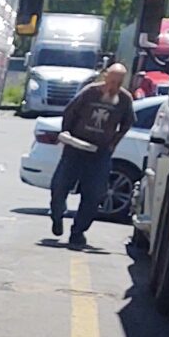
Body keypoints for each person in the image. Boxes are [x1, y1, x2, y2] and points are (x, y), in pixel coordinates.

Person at [49, 63, 135, 248]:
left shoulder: (124, 99)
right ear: (105, 77)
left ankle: (78, 232)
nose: (114, 86)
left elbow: (127, 123)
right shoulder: (90, 92)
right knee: (59, 187)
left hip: (100, 153)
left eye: (119, 83)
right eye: (112, 81)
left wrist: (114, 143)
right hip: (75, 149)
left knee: (95, 194)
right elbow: (69, 112)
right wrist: (67, 134)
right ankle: (57, 215)